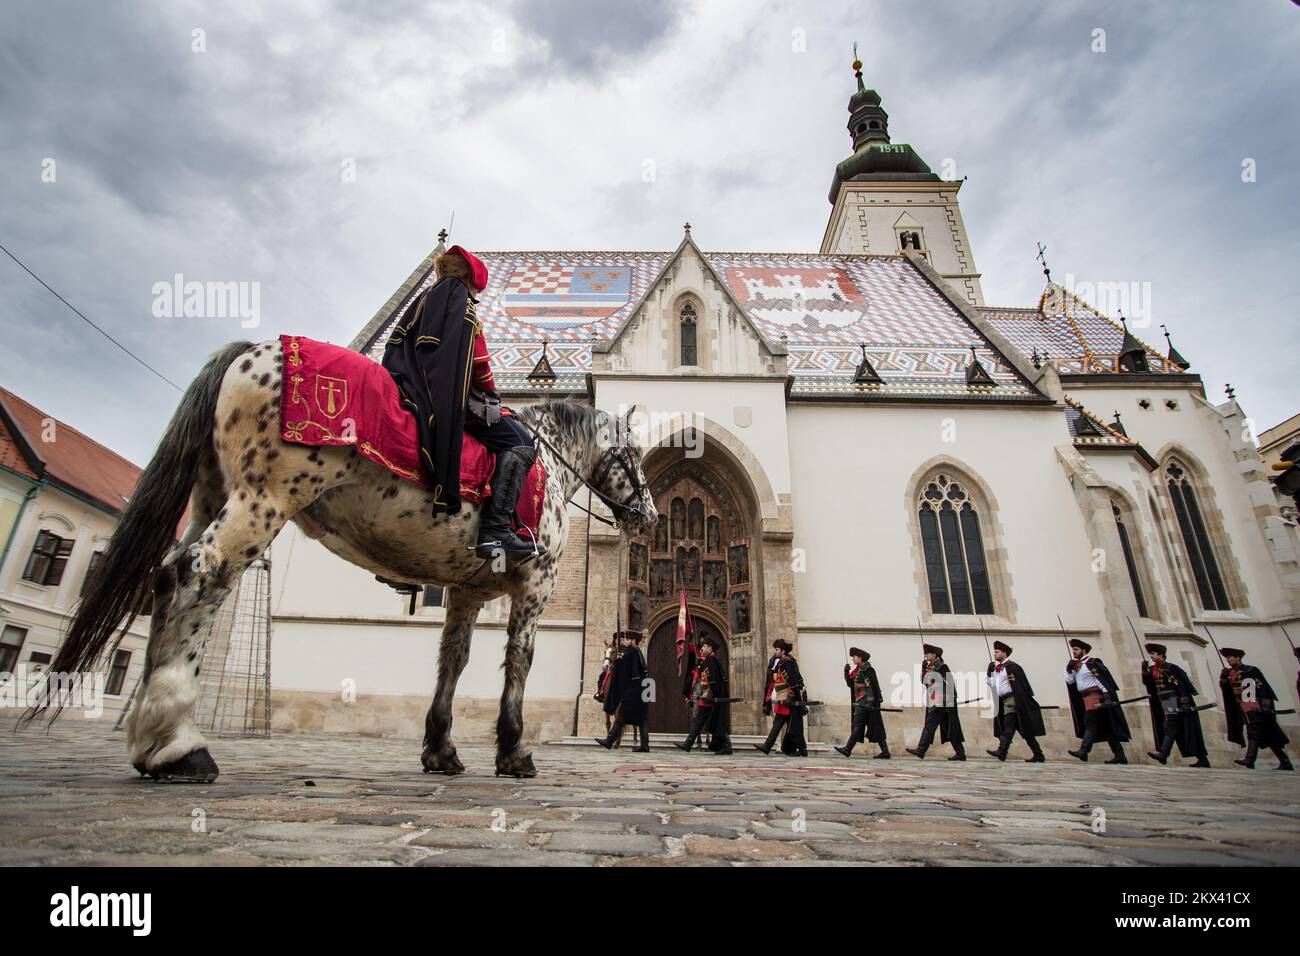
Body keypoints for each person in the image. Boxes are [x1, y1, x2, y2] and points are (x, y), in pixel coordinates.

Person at [381, 244, 538, 560]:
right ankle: (496, 532)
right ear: (472, 280)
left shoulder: (422, 301)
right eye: (477, 288)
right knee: (521, 443)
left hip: (413, 390)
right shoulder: (461, 303)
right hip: (449, 399)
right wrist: (493, 396)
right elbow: (477, 362)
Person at [1217, 647, 1292, 770]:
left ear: (1237, 658)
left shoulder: (1250, 670)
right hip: (1241, 705)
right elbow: (1228, 691)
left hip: (1253, 703)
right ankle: (1285, 761)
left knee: (1253, 731)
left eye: (1230, 657)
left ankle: (1250, 759)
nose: (1228, 660)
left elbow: (1261, 687)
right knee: (1266, 734)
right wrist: (1223, 679)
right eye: (1227, 658)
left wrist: (1265, 706)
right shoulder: (1230, 673)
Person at [1141, 643, 1210, 767]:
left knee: (1171, 724)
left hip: (1175, 699)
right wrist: (1144, 672)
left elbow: (1181, 683)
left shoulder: (1171, 668)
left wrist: (1184, 699)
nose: (1151, 656)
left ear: (1160, 654)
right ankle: (1202, 758)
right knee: (1177, 727)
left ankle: (1163, 754)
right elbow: (1149, 685)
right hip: (1163, 700)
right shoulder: (1153, 670)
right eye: (1150, 654)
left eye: (1153, 654)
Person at [1063, 638, 1130, 764]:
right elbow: (1070, 681)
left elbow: (1101, 680)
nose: (1074, 652)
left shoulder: (1092, 663)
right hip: (1085, 698)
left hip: (1095, 697)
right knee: (1106, 726)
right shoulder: (1076, 666)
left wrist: (1108, 697)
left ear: (1083, 650)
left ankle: (1084, 751)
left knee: (1090, 722)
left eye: (1076, 649)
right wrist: (1068, 670)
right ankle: (1120, 754)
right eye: (1073, 650)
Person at [984, 641, 1045, 762]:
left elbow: (1021, 686)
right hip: (1005, 700)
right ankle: (1038, 754)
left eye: (997, 652)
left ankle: (1002, 751)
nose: (994, 654)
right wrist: (989, 672)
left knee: (1009, 725)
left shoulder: (1012, 667)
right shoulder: (998, 669)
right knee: (1024, 732)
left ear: (1004, 653)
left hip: (1014, 701)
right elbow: (992, 684)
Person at [906, 644, 966, 760]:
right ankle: (960, 753)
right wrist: (923, 669)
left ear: (934, 655)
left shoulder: (942, 667)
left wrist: (949, 700)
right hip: (934, 701)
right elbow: (924, 681)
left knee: (929, 725)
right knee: (949, 728)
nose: (926, 655)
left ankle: (921, 749)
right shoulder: (930, 667)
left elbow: (950, 684)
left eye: (928, 653)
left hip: (941, 702)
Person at [675, 636, 732, 755]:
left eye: (705, 646)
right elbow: (705, 677)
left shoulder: (712, 660)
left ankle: (726, 746)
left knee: (713, 720)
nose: (702, 648)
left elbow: (713, 680)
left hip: (710, 697)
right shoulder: (708, 660)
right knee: (700, 720)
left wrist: (711, 697)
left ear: (710, 648)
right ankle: (688, 744)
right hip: (707, 697)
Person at [595, 631, 650, 753]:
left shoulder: (631, 653)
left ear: (634, 641)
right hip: (642, 691)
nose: (627, 641)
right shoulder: (638, 652)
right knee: (642, 719)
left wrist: (619, 657)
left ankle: (609, 741)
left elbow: (621, 667)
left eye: (629, 639)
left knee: (621, 717)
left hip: (633, 692)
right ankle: (645, 745)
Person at [835, 648, 890, 759]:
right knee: (860, 725)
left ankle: (848, 749)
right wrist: (846, 673)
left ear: (860, 658)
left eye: (855, 656)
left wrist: (869, 702)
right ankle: (885, 751)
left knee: (870, 725)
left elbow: (870, 687)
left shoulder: (867, 670)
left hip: (866, 703)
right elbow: (851, 685)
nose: (853, 658)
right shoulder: (857, 671)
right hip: (860, 702)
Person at [755, 640, 807, 756]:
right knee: (783, 724)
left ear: (783, 651)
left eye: (777, 650)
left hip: (788, 699)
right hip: (783, 698)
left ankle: (768, 746)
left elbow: (793, 682)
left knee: (792, 725)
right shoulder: (781, 663)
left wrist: (797, 700)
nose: (775, 652)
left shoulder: (788, 663)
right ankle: (768, 746)